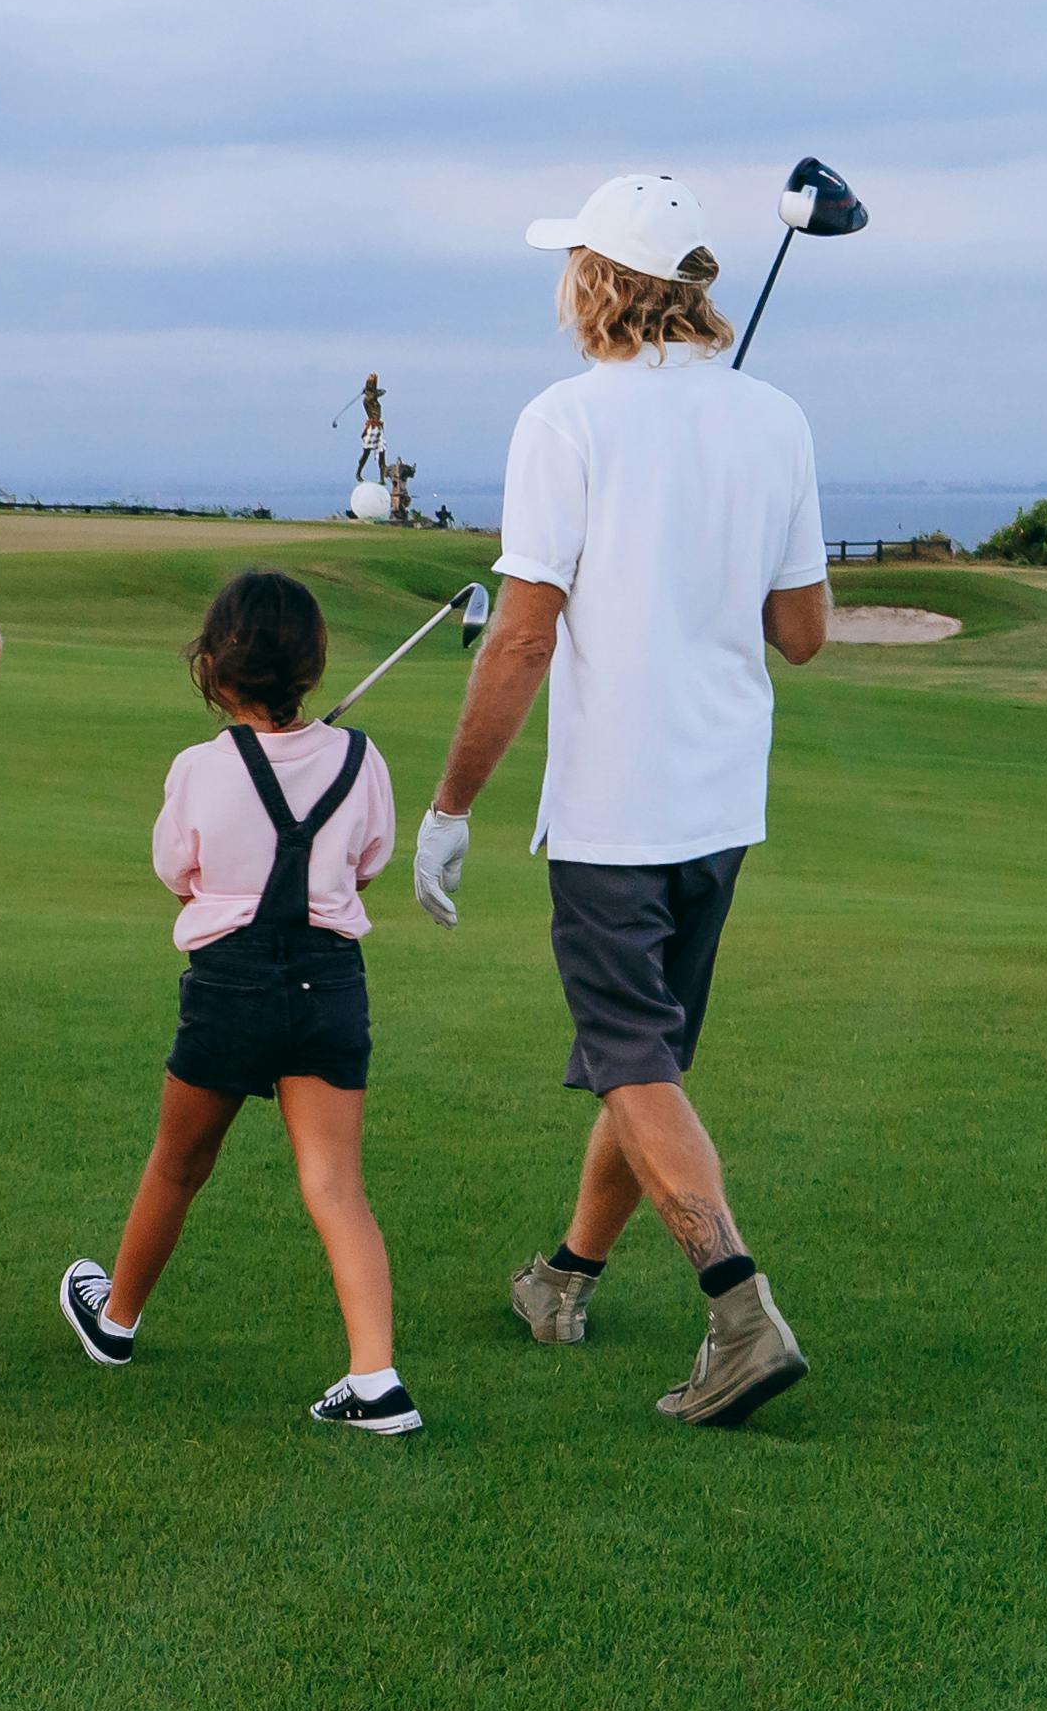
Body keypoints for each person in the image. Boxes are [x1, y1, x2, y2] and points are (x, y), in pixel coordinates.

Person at [408, 171, 827, 1429]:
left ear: (600, 282)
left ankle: (740, 1310)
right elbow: (802, 632)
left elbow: (522, 640)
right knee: (643, 1060)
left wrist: (448, 807)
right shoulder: (776, 420)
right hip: (721, 802)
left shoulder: (564, 420)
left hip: (613, 810)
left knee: (637, 1061)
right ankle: (565, 1279)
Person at [59, 569, 414, 1432]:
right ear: (312, 667)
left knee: (178, 1164)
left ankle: (116, 1322)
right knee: (335, 1185)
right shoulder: (362, 759)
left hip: (229, 984)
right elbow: (369, 862)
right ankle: (377, 1381)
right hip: (330, 983)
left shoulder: (198, 769)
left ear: (218, 670)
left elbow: (175, 872)